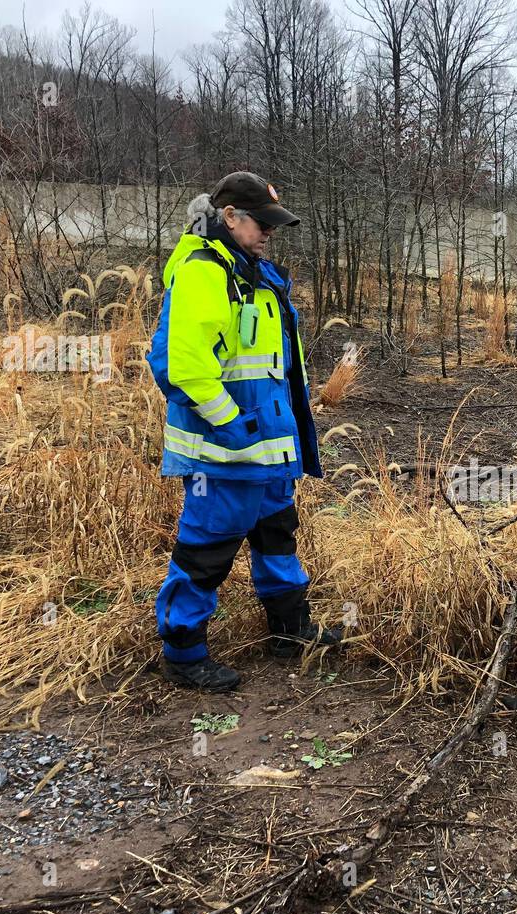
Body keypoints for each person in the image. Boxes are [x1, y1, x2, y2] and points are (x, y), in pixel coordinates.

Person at [146, 171, 343, 692]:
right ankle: (183, 654)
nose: (269, 233)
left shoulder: (248, 270)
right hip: (227, 454)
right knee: (207, 550)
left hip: (269, 451)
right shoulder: (204, 272)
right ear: (229, 216)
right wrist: (234, 428)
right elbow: (183, 366)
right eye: (262, 223)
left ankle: (289, 630)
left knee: (277, 536)